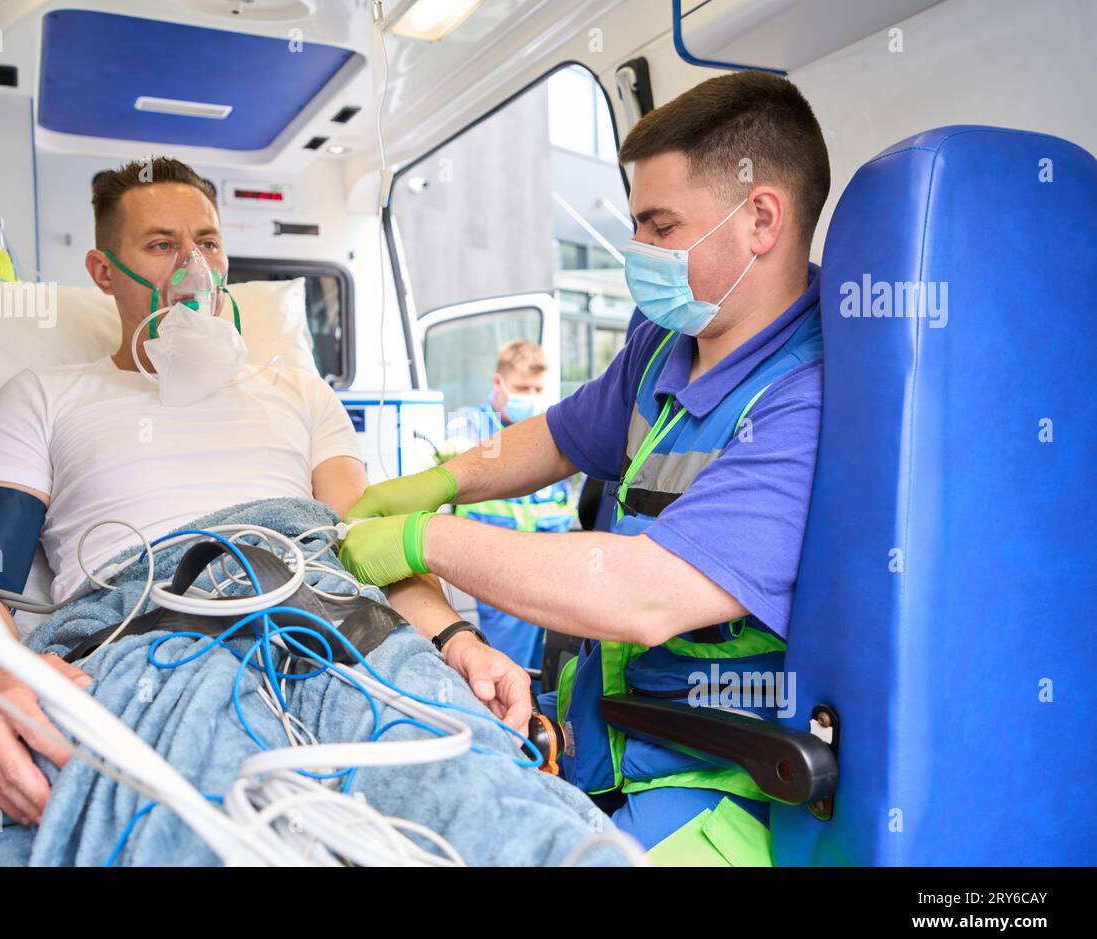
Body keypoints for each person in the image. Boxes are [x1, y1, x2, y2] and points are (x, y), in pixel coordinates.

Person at [0, 157, 531, 828]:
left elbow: (367, 544)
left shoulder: (298, 391)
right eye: (161, 245)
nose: (192, 266)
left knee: (489, 803)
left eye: (206, 242)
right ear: (102, 272)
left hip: (329, 626)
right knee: (196, 827)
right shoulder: (47, 395)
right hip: (150, 646)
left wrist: (454, 638)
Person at [339, 70, 831, 865]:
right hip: (603, 749)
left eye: (661, 226)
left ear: (761, 219)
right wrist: (447, 479)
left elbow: (641, 592)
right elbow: (561, 437)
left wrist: (426, 540)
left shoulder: (805, 400)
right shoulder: (666, 340)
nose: (639, 252)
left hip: (717, 783)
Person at [442, 339, 576, 671]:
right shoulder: (468, 427)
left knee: (544, 667)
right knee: (503, 665)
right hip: (494, 567)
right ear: (498, 383)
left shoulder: (549, 427)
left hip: (550, 568)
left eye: (536, 389)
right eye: (521, 388)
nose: (530, 397)